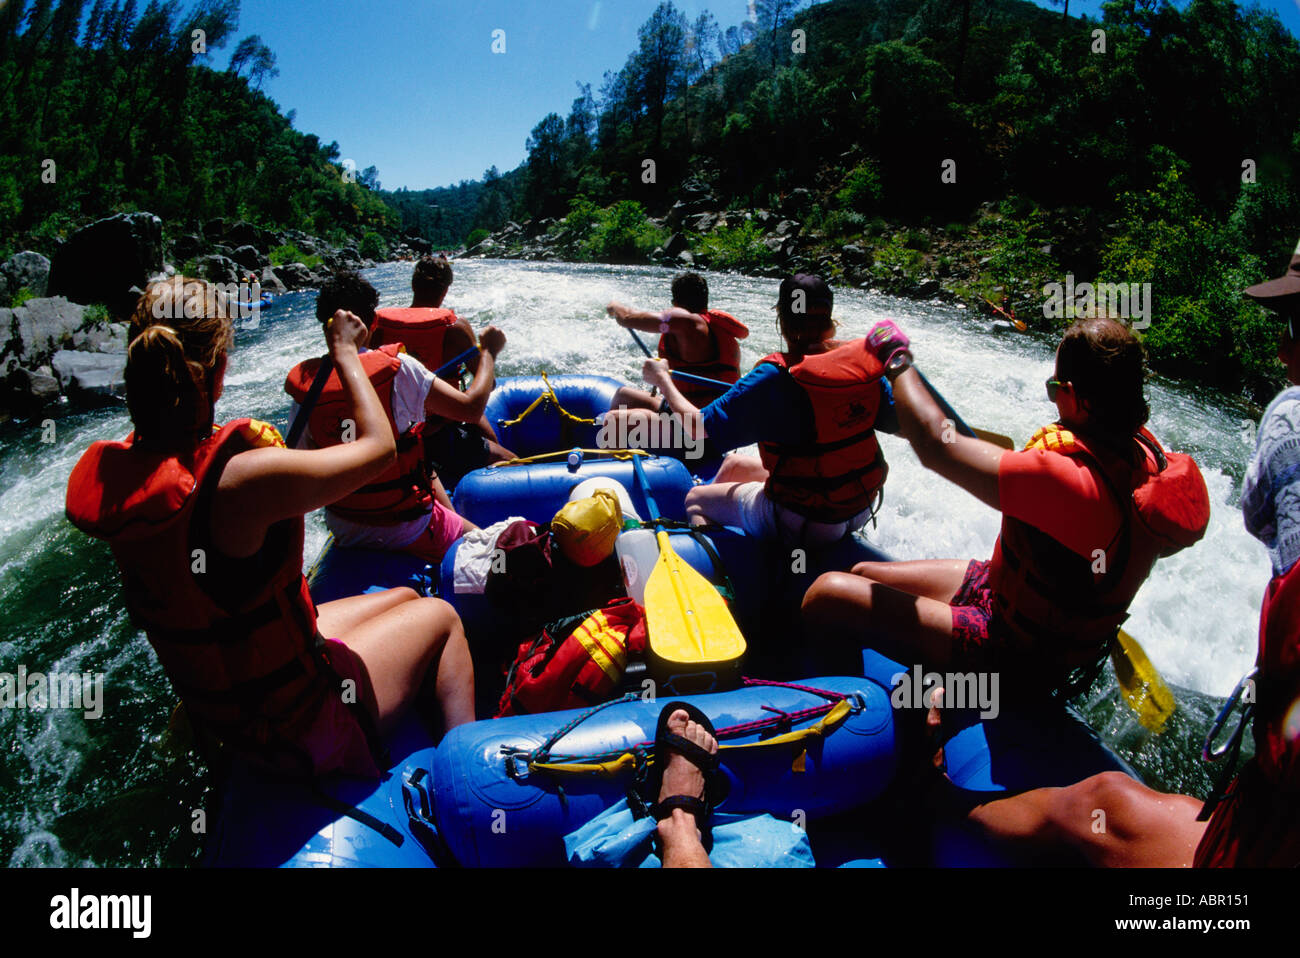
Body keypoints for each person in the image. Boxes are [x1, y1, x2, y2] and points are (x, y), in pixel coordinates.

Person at [65, 277, 475, 780]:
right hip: (299, 726)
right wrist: (346, 354)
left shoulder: (122, 480)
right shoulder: (242, 479)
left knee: (404, 601)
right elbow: (379, 450)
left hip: (222, 710)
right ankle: (467, 783)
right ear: (216, 370)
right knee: (439, 615)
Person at [803, 316, 1210, 700]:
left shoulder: (1068, 480)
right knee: (859, 573)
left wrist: (898, 361)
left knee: (824, 595)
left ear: (1079, 399)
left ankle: (856, 717)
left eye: (1055, 389)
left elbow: (934, 447)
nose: (1052, 400)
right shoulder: (1145, 454)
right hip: (1009, 599)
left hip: (1014, 650)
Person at [636, 274, 898, 547]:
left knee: (696, 499)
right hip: (860, 508)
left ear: (781, 321)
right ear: (830, 321)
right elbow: (903, 426)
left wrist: (663, 380)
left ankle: (726, 581)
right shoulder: (863, 366)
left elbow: (697, 428)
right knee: (734, 464)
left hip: (805, 521)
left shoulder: (774, 377)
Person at [285, 270, 505, 563]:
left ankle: (448, 518)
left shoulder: (306, 385)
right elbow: (470, 409)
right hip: (407, 526)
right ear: (373, 322)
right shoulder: (397, 367)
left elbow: (300, 466)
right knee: (495, 554)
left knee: (425, 464)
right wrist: (489, 352)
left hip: (344, 527)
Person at [371, 254, 513, 486]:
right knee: (511, 461)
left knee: (489, 436)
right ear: (445, 290)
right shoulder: (454, 327)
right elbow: (488, 383)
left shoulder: (380, 325)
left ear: (413, 285)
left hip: (395, 430)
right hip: (436, 431)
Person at [606, 271, 750, 412]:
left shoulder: (684, 321)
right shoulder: (716, 326)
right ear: (705, 299)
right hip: (726, 413)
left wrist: (614, 307)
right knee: (630, 396)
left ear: (675, 303)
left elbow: (627, 318)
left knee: (622, 398)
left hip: (699, 419)